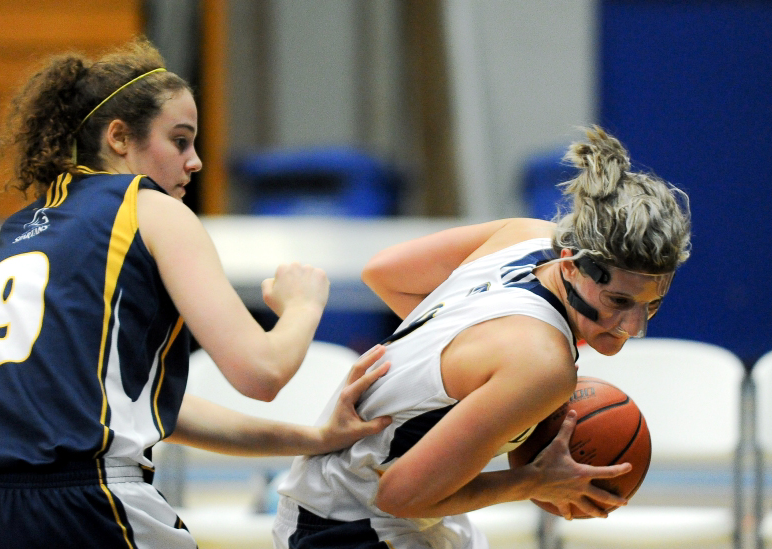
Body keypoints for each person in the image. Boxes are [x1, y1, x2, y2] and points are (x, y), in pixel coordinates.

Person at [0, 38, 392, 548]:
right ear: (119, 137)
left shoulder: (27, 223)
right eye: (180, 141)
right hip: (75, 502)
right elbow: (263, 372)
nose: (196, 161)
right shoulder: (149, 207)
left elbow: (145, 405)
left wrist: (311, 438)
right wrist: (303, 307)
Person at [272, 126, 692, 549]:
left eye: (651, 304)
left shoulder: (526, 236)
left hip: (350, 496)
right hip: (349, 525)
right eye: (618, 300)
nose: (634, 326)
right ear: (570, 266)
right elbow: (400, 496)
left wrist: (461, 365)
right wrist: (536, 480)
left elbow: (384, 273)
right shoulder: (542, 365)